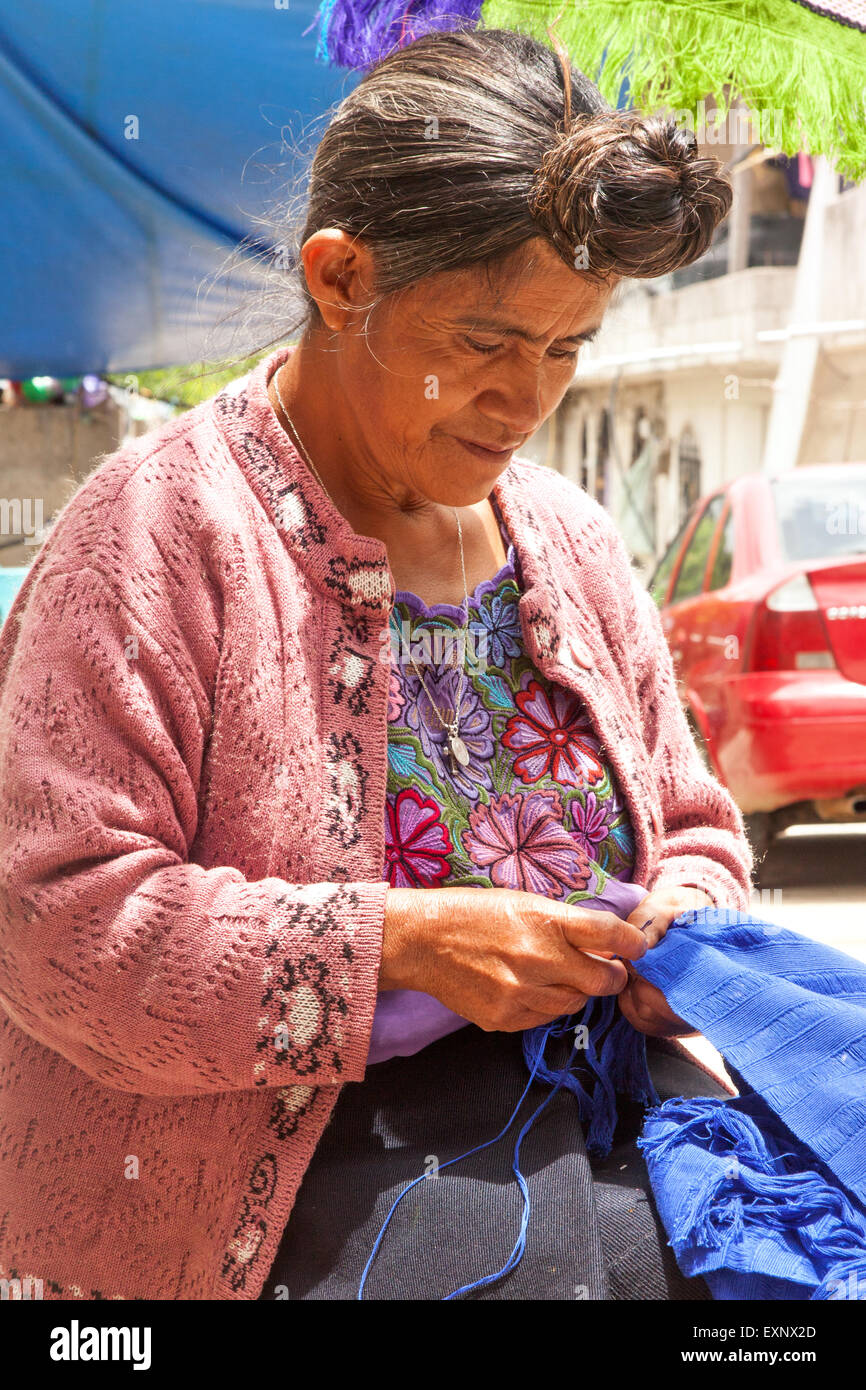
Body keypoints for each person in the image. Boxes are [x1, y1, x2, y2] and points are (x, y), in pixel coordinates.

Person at [0, 27, 750, 1301]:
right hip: (268, 1188)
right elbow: (57, 928)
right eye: (486, 340)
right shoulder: (157, 534)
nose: (526, 403)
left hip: (596, 1121)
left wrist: (687, 919)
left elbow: (692, 825)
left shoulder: (565, 538)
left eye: (565, 350)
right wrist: (397, 945)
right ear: (341, 277)